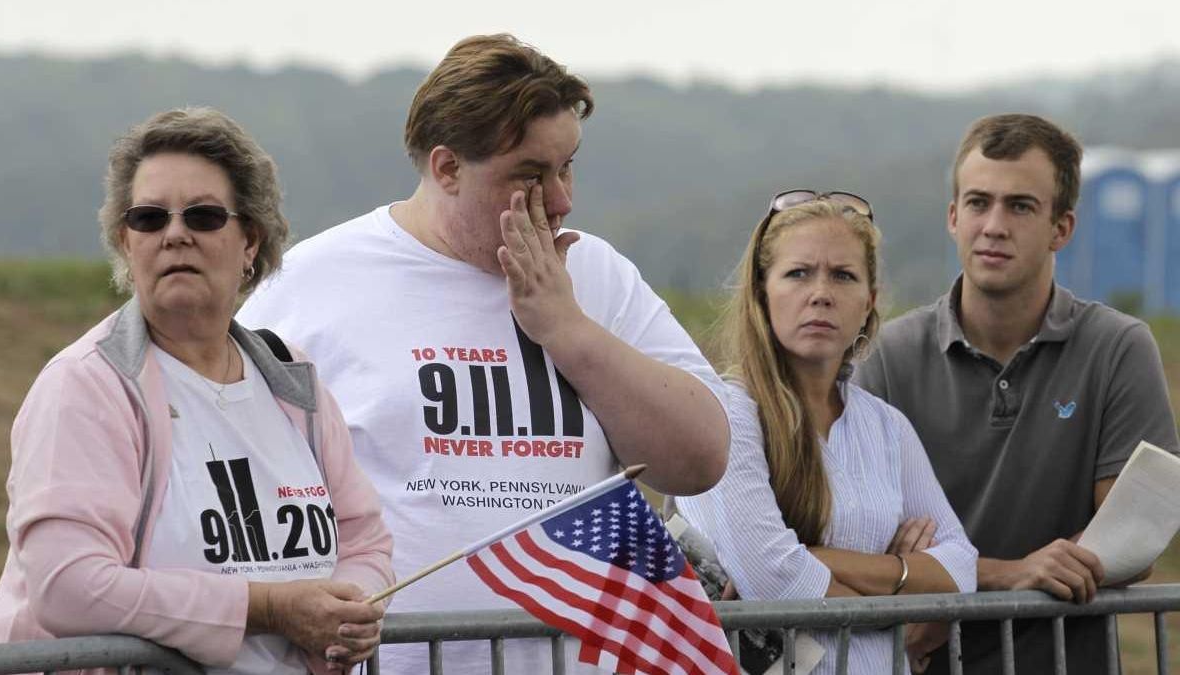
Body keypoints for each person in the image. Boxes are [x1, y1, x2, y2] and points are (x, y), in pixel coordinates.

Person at [236, 34, 730, 673]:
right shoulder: (311, 284)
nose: (561, 200)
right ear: (446, 169)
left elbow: (701, 459)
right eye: (529, 175)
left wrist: (569, 331)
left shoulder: (596, 274)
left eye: (567, 166)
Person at [0, 107, 394, 674]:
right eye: (149, 218)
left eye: (202, 216)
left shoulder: (290, 377)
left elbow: (366, 541)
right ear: (127, 243)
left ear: (251, 240)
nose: (175, 234)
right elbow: (67, 585)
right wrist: (269, 608)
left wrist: (343, 614)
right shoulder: (85, 385)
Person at [854, 113, 1180, 673]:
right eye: (979, 203)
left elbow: (1132, 536)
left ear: (1062, 228)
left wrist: (939, 577)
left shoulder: (1118, 347)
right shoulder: (887, 356)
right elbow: (862, 545)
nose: (994, 225)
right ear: (953, 218)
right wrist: (1014, 572)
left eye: (1021, 206)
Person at [676, 191, 977, 674]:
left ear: (869, 302)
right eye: (798, 273)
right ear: (761, 293)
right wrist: (904, 600)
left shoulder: (887, 427)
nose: (821, 292)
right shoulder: (726, 413)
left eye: (843, 275)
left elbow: (961, 570)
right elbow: (772, 578)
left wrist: (814, 558)